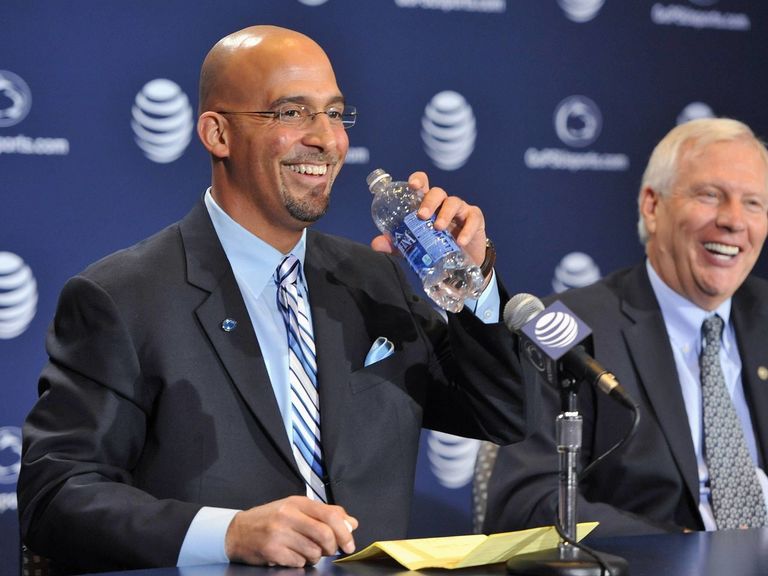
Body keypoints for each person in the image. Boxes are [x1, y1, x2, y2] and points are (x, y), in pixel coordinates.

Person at [18, 25, 528, 573]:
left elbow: (500, 415)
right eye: (291, 113)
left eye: (335, 113)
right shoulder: (121, 297)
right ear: (217, 134)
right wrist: (229, 533)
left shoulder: (377, 280)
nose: (327, 140)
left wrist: (472, 284)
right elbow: (57, 498)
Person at [485, 117, 768, 537]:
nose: (733, 221)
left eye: (754, 203)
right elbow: (525, 504)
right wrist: (689, 551)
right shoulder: (565, 330)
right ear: (652, 206)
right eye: (711, 195)